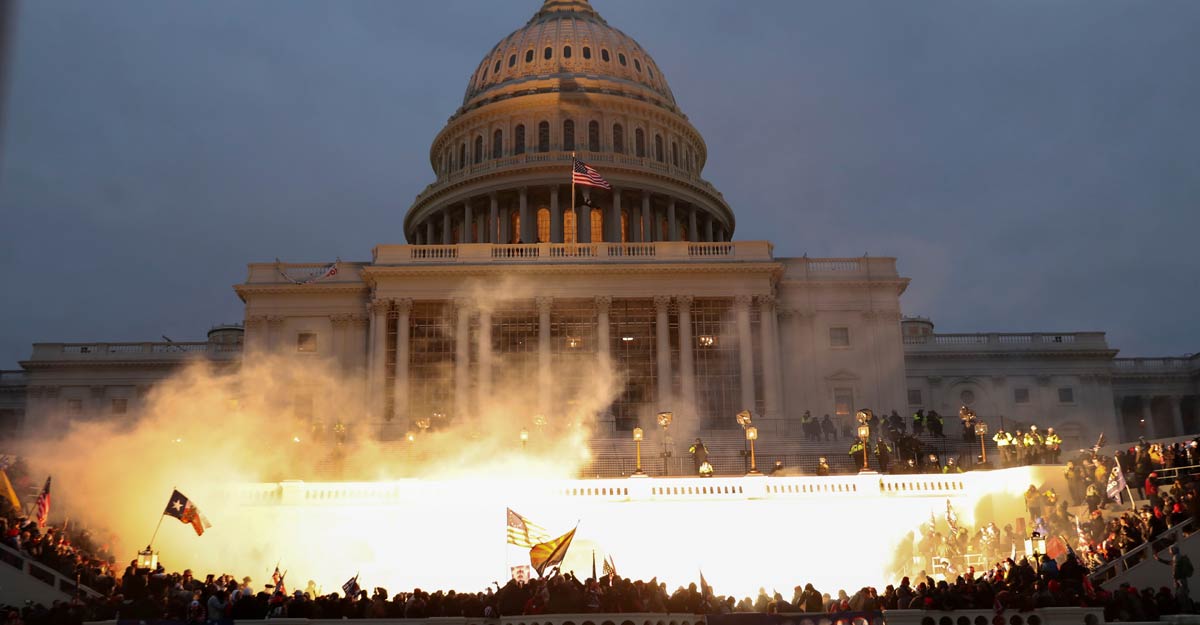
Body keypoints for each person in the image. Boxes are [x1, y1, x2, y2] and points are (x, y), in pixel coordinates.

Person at [1156, 545, 1194, 611]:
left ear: (1173, 550)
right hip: (1181, 579)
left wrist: (1175, 579)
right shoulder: (1178, 557)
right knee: (1183, 594)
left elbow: (1175, 569)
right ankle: (1187, 609)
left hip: (1180, 579)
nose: (1169, 552)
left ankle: (1185, 609)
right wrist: (1159, 559)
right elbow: (1170, 563)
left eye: (1170, 550)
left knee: (1181, 595)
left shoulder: (1177, 557)